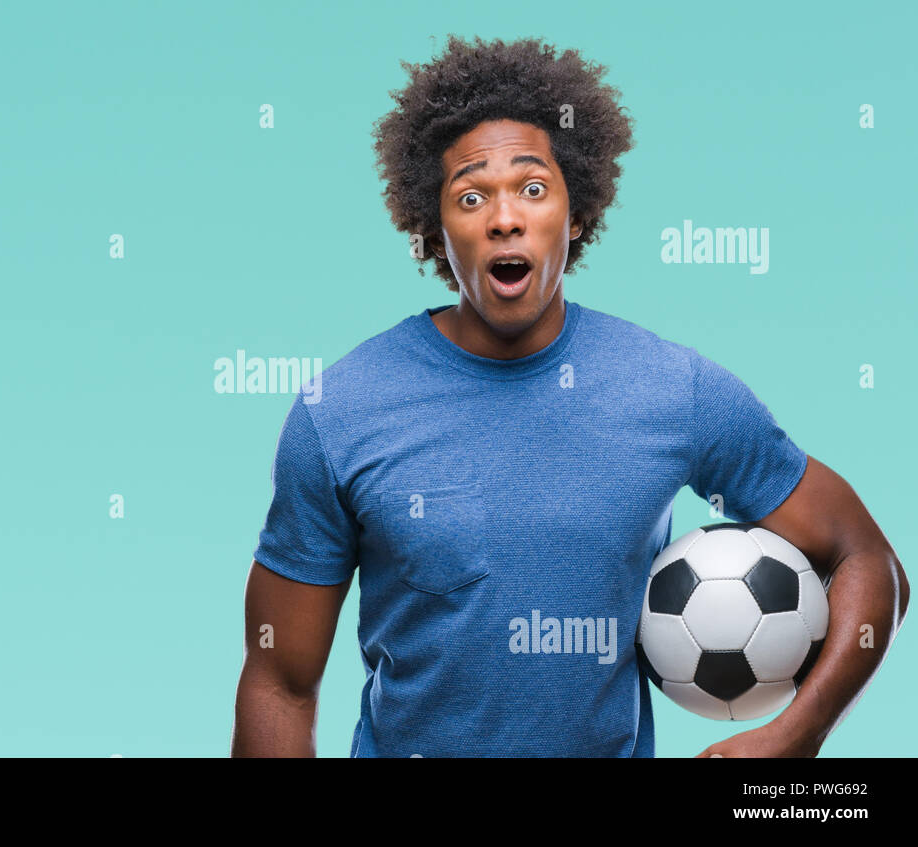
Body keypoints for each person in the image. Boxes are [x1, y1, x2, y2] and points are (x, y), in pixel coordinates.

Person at [230, 36, 908, 758]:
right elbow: (280, 679)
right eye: (469, 195)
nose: (504, 218)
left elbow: (865, 559)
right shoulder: (341, 410)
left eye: (532, 187)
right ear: (433, 230)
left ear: (575, 212)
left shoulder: (672, 389)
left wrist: (795, 734)